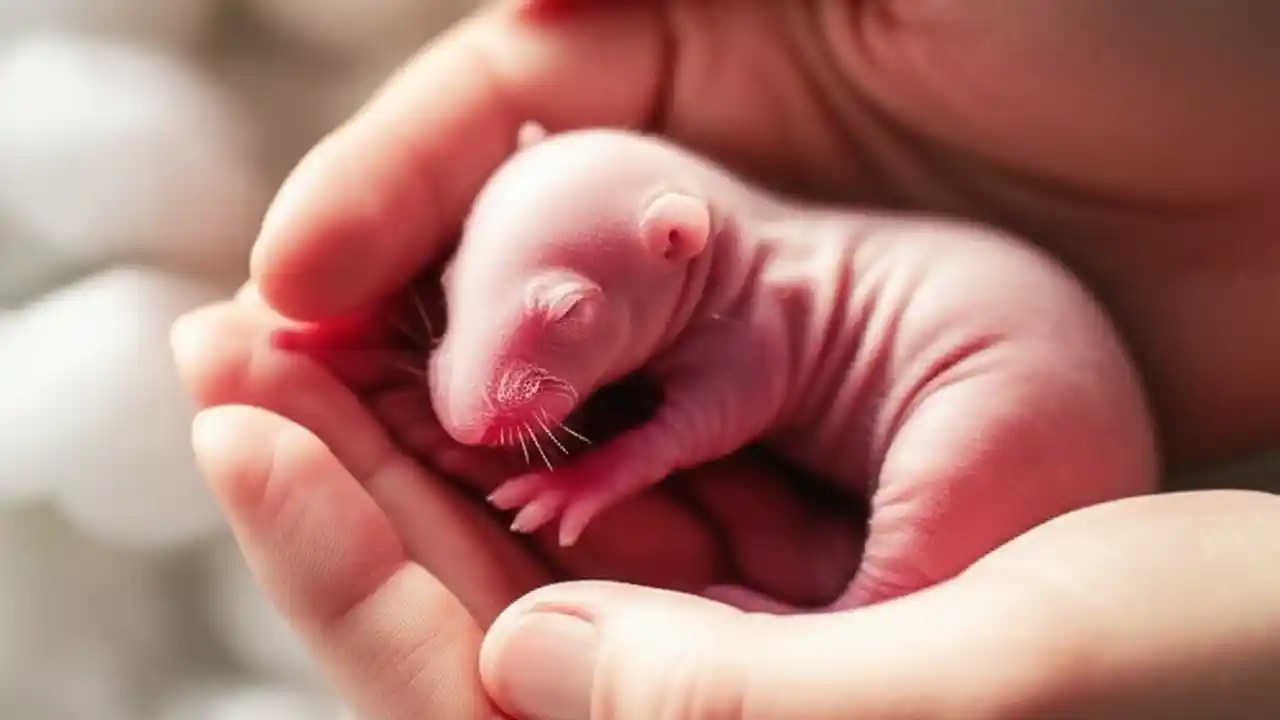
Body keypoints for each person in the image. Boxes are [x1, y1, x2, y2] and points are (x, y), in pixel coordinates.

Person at [171, 1, 1280, 718]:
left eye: (552, 312)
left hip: (1019, 389)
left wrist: (594, 473)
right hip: (998, 398)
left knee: (937, 483)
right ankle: (828, 572)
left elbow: (707, 417)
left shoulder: (752, 316)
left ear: (676, 243)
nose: (472, 377)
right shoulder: (676, 269)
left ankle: (861, 612)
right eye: (465, 303)